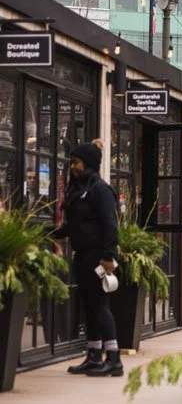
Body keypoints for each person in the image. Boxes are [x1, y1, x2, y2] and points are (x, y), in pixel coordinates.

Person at [52, 140, 122, 377]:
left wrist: (108, 255)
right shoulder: (80, 190)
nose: (73, 167)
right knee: (89, 306)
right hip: (82, 254)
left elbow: (110, 225)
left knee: (100, 305)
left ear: (89, 163)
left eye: (77, 162)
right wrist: (49, 235)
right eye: (71, 162)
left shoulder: (100, 190)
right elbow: (73, 226)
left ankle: (114, 359)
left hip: (98, 256)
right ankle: (94, 356)